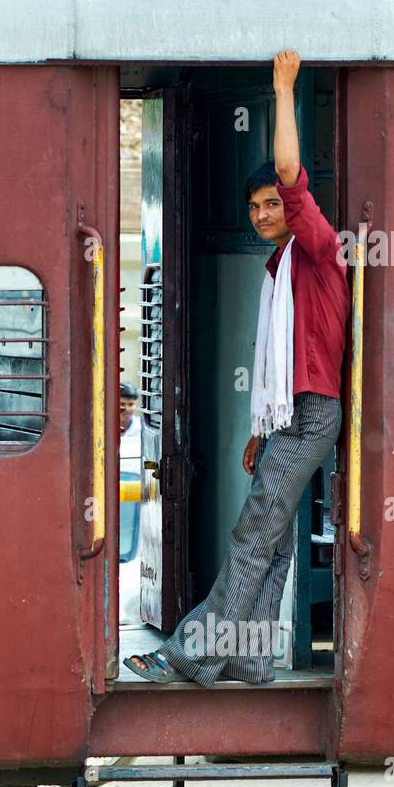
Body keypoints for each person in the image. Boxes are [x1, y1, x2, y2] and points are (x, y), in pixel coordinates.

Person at [123, 50, 350, 687]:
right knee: (272, 542)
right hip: (291, 420)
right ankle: (251, 658)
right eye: (253, 208)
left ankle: (190, 653)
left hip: (310, 418)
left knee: (252, 534)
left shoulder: (320, 249)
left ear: (294, 208)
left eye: (270, 205)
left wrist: (283, 88)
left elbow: (288, 170)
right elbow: (277, 365)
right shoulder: (280, 268)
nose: (260, 215)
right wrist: (259, 430)